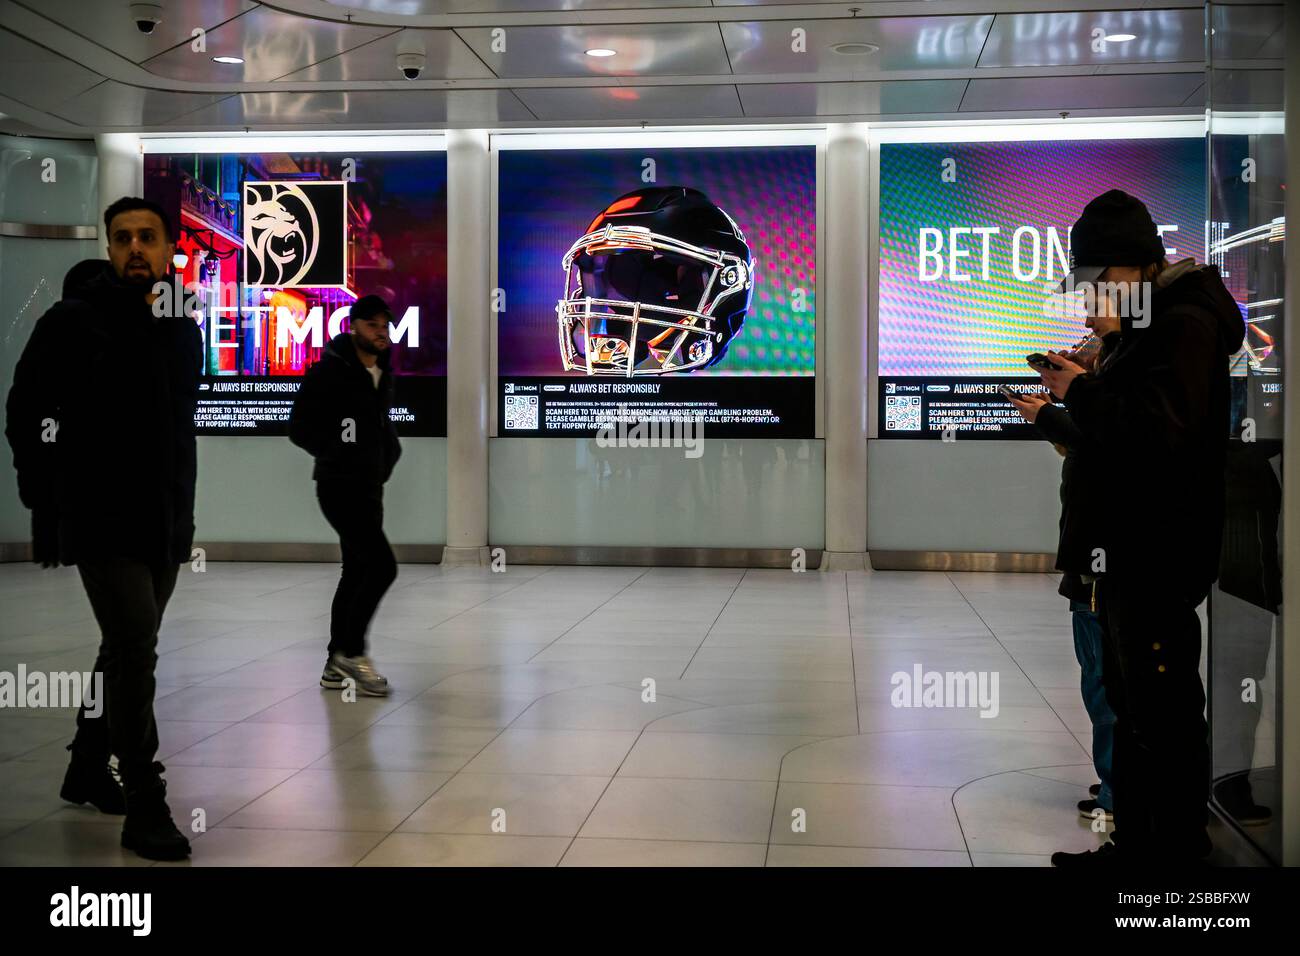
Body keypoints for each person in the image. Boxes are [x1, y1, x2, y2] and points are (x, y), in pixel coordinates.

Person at [1032, 190, 1245, 866]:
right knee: (1135, 712)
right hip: (1130, 556)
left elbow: (1158, 435)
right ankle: (1137, 847)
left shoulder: (1184, 324)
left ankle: (1172, 864)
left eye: (1098, 281)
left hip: (1155, 555)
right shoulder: (1154, 327)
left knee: (1163, 718)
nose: (1092, 298)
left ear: (1130, 269)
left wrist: (1081, 391)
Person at [5, 197, 202, 861]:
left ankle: (88, 765)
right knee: (136, 647)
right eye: (123, 239)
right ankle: (144, 798)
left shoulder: (181, 323)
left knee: (122, 647)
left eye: (148, 237)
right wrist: (49, 501)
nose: (136, 249)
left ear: (170, 246)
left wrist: (182, 512)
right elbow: (26, 411)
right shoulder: (72, 321)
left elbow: (179, 424)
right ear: (110, 249)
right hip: (102, 517)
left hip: (166, 518)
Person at [1009, 308, 1124, 826]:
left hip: (1100, 575)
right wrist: (1054, 416)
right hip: (1089, 571)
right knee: (1101, 682)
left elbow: (1094, 449)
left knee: (1106, 686)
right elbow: (1080, 447)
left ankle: (1121, 795)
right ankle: (1120, 781)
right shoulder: (1104, 420)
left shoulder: (1113, 420)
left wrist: (1050, 415)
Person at [289, 294, 401, 697]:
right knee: (382, 567)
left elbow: (381, 426)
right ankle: (351, 654)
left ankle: (335, 664)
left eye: (384, 325)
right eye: (372, 325)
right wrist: (338, 451)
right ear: (353, 326)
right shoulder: (330, 373)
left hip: (370, 486)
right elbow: (299, 428)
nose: (380, 332)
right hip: (338, 486)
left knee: (356, 571)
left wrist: (388, 455)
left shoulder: (381, 374)